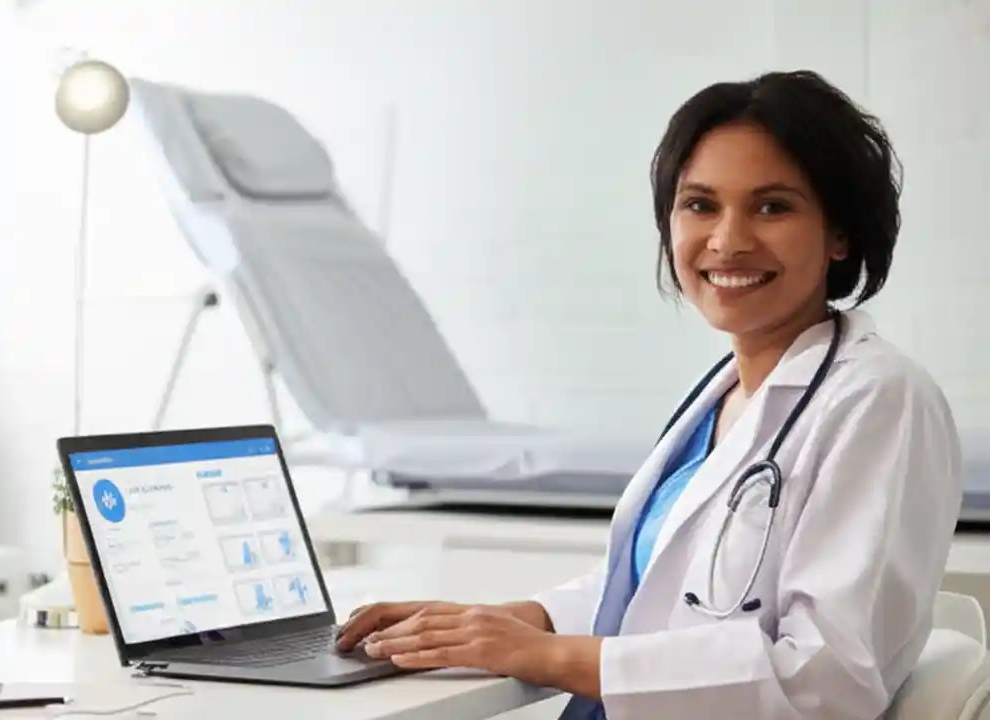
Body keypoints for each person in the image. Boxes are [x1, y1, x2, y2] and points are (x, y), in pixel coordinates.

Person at [334, 70, 964, 719]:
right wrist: (502, 623)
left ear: (840, 234)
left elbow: (827, 678)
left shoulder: (880, 399)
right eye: (700, 205)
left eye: (773, 206)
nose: (728, 239)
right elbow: (654, 595)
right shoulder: (723, 397)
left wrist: (541, 655)